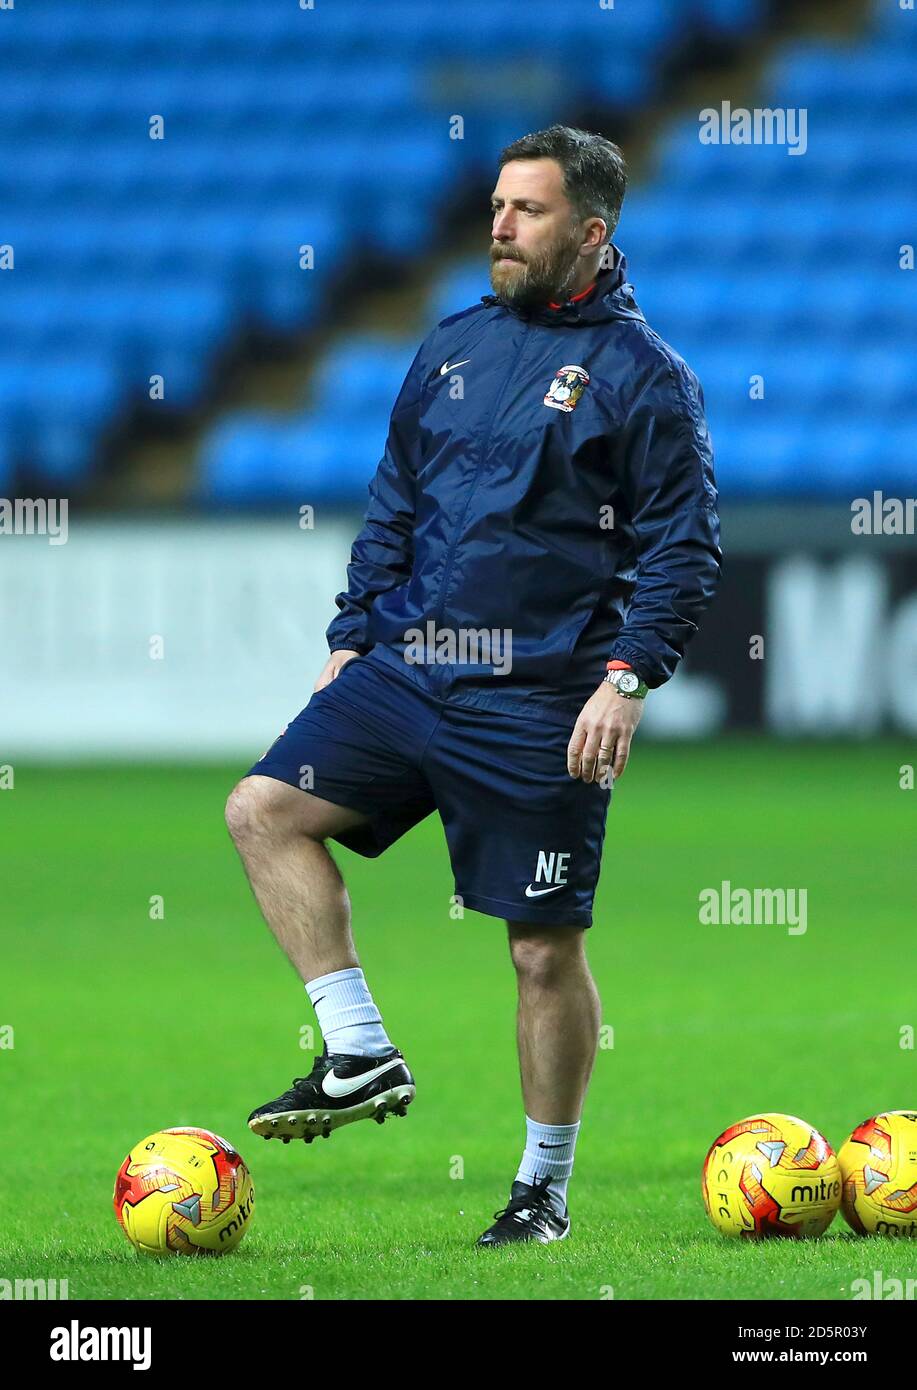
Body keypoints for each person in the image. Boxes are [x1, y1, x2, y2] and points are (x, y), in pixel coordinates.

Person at [225, 124, 722, 1246]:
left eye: (526, 210)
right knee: (261, 810)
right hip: (409, 670)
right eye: (496, 204)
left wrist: (627, 677)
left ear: (589, 232)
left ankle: (541, 1185)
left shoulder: (643, 380)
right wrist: (355, 632)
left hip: (538, 697)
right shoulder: (449, 344)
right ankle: (356, 1048)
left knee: (540, 949)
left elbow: (684, 549)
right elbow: (395, 499)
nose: (497, 224)